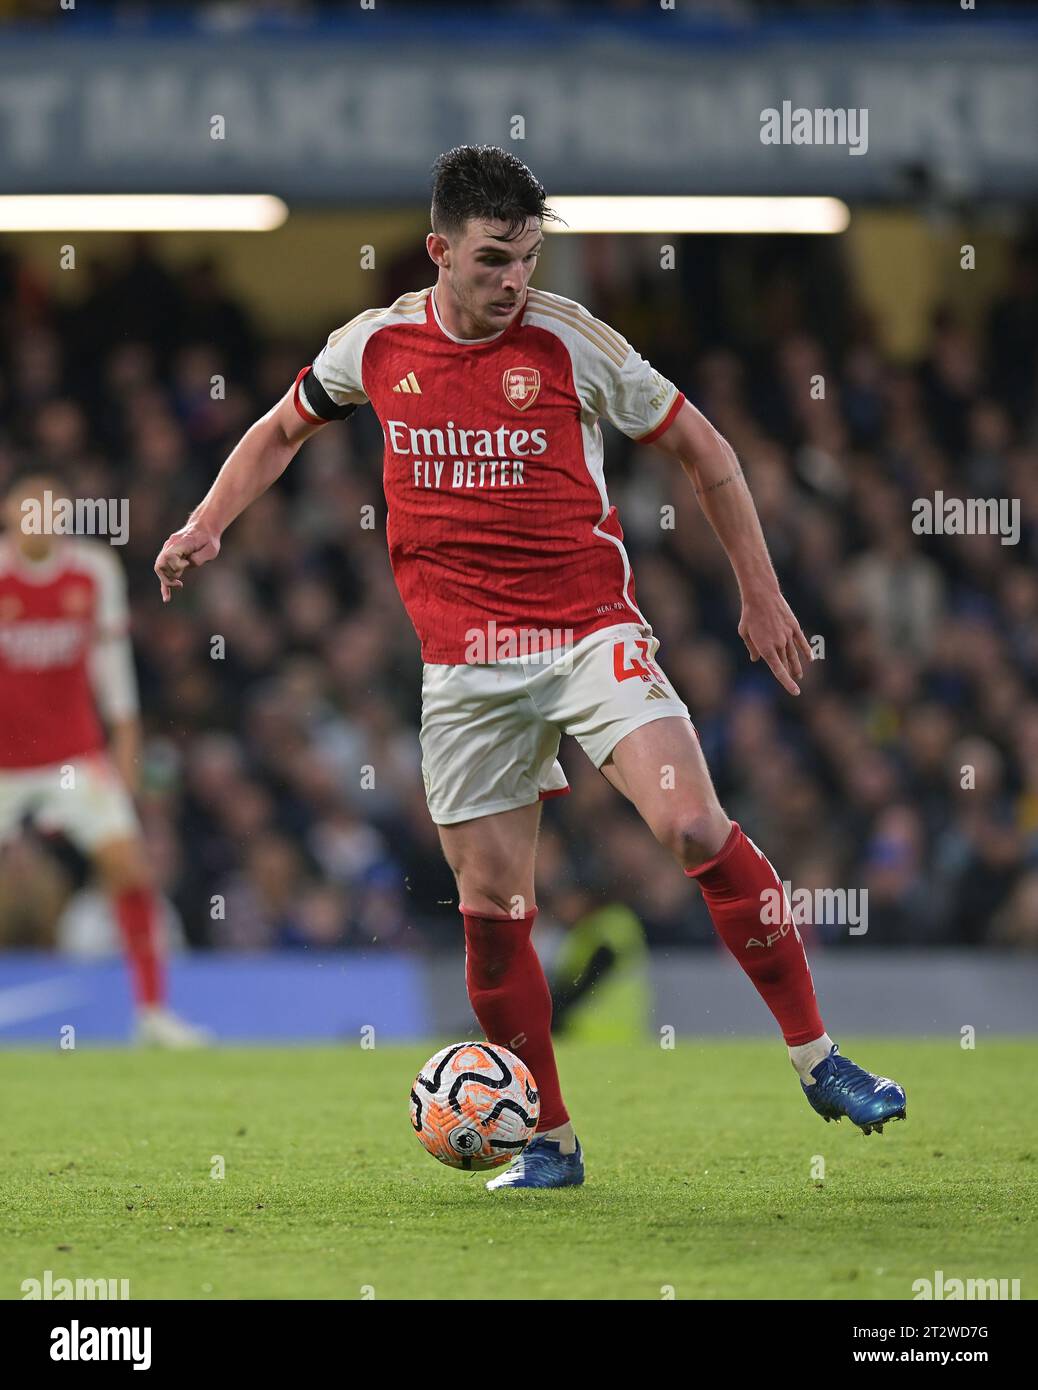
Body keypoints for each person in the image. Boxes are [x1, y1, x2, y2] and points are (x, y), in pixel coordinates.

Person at [155, 145, 906, 1187]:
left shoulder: (570, 341)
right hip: (464, 670)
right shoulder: (373, 348)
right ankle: (550, 1141)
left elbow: (709, 452)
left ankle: (819, 1059)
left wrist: (761, 590)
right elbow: (280, 431)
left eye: (530, 258)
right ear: (438, 252)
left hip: (589, 635)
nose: (516, 281)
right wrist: (205, 524)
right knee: (495, 912)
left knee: (692, 823)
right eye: (495, 259)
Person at [1, 470, 208, 1047]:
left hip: (74, 756)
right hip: (2, 764)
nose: (42, 516)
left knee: (130, 869)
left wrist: (127, 750)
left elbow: (113, 672)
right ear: (9, 515)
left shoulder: (92, 571)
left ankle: (151, 1013)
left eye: (52, 507)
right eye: (29, 506)